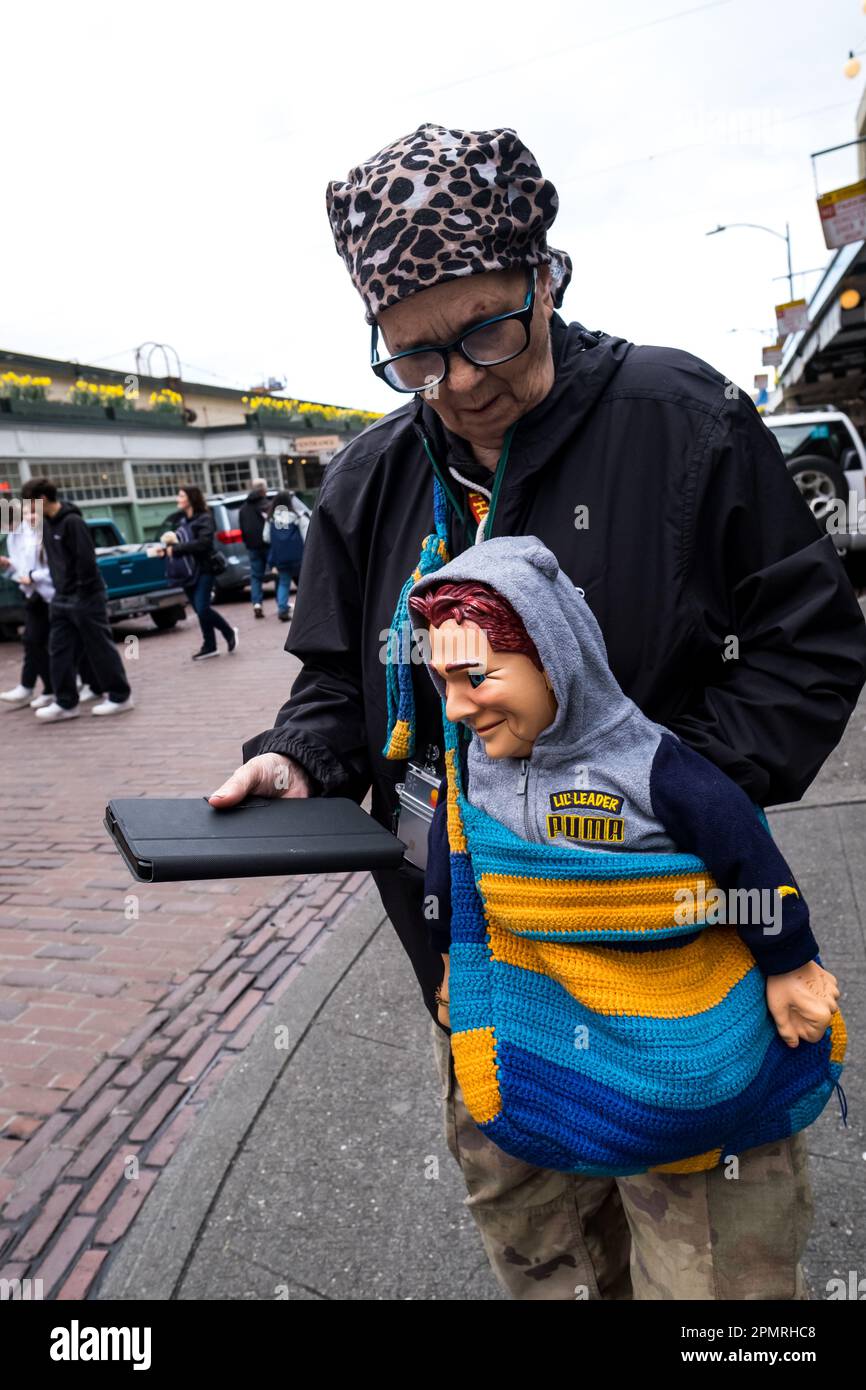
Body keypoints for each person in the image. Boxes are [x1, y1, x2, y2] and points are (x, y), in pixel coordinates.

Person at [209, 124, 866, 1299]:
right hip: (481, 987)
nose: (456, 383)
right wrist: (300, 755)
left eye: (485, 332)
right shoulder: (370, 476)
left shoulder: (681, 419)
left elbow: (807, 645)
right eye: (411, 355)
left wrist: (653, 787)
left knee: (714, 1291)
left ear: (544, 277)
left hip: (674, 971)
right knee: (548, 1271)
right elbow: (335, 678)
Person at [409, 543, 841, 1069]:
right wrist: (452, 965)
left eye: (475, 677)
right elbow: (449, 873)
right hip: (538, 1025)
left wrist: (789, 960)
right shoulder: (472, 776)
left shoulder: (651, 766)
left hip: (670, 1012)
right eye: (445, 681)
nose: (454, 707)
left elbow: (743, 852)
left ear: (553, 660)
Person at [21, 478, 134, 722]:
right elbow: (54, 563)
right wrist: (59, 592)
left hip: (86, 597)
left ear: (42, 499)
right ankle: (65, 703)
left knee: (99, 647)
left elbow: (86, 562)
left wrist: (80, 593)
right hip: (61, 599)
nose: (29, 511)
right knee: (58, 649)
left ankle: (120, 696)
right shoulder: (47, 526)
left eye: (31, 504)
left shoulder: (73, 522)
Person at [155, 486, 239, 661]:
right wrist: (165, 550)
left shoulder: (205, 519)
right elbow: (177, 541)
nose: (178, 498)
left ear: (191, 498)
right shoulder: (181, 520)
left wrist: (176, 549)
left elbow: (204, 544)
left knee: (202, 608)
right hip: (186, 571)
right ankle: (209, 646)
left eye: (181, 495)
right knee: (200, 610)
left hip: (204, 569)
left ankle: (228, 631)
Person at [0, 494, 55, 709]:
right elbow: (23, 564)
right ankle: (40, 686)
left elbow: (45, 565)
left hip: (45, 592)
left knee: (38, 640)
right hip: (33, 593)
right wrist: (9, 565)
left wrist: (32, 576)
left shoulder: (33, 532)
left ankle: (51, 688)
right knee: (35, 641)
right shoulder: (15, 535)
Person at [263, 491, 304, 622]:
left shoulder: (271, 519)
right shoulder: (296, 516)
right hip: (298, 556)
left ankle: (282, 609)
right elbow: (305, 534)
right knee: (304, 582)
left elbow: (266, 538)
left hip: (281, 557)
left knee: (283, 583)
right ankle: (308, 609)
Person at [239, 479, 271, 618]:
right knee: (278, 573)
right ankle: (282, 603)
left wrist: (248, 543)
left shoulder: (243, 508)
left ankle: (257, 603)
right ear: (263, 490)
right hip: (268, 545)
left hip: (252, 546)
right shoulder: (267, 505)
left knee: (256, 576)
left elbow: (242, 529)